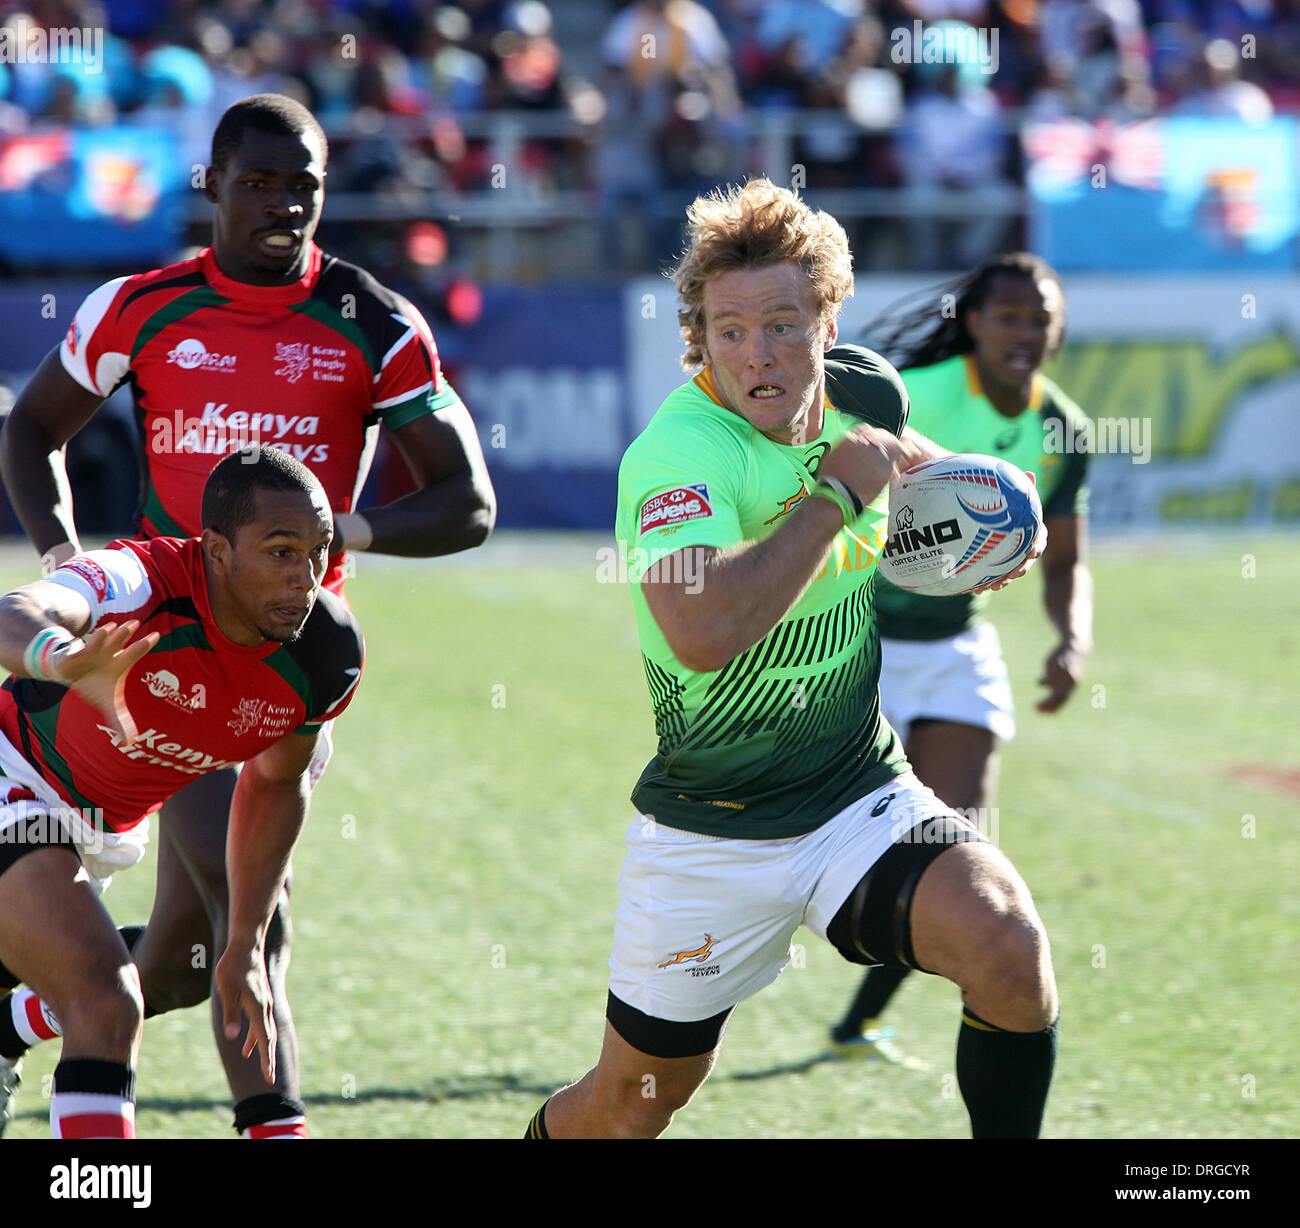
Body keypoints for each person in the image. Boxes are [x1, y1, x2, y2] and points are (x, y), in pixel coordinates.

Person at [0, 93, 495, 1138]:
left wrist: (324, 538)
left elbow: (468, 504)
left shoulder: (373, 321)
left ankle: (17, 1017)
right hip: (161, 646)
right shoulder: (143, 306)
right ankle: (275, 1123)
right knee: (250, 936)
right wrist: (67, 571)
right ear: (213, 186)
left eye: (301, 185)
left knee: (184, 962)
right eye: (258, 183)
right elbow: (31, 429)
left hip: (287, 661)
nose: (282, 203)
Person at [525, 178, 1059, 1140]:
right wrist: (835, 499)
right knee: (627, 1108)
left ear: (828, 322)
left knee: (1008, 947)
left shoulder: (863, 392)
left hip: (857, 794)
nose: (757, 354)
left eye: (782, 324)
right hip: (710, 835)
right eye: (728, 331)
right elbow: (700, 630)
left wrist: (995, 515)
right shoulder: (679, 455)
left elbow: (919, 467)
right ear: (699, 337)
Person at [0, 447, 364, 1138]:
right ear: (217, 550)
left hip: (98, 831)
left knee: (164, 976)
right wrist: (65, 658)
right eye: (280, 552)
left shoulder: (325, 650)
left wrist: (246, 943)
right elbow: (14, 610)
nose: (305, 577)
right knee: (107, 1001)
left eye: (318, 551)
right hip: (13, 777)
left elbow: (275, 782)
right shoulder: (140, 579)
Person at [828, 253, 1092, 1063]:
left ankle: (856, 1024)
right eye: (1008, 316)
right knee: (813, 842)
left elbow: (1066, 560)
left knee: (956, 850)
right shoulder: (913, 396)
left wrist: (1072, 636)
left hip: (956, 650)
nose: (1025, 332)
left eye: (1040, 318)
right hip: (856, 644)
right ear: (973, 322)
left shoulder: (1065, 430)